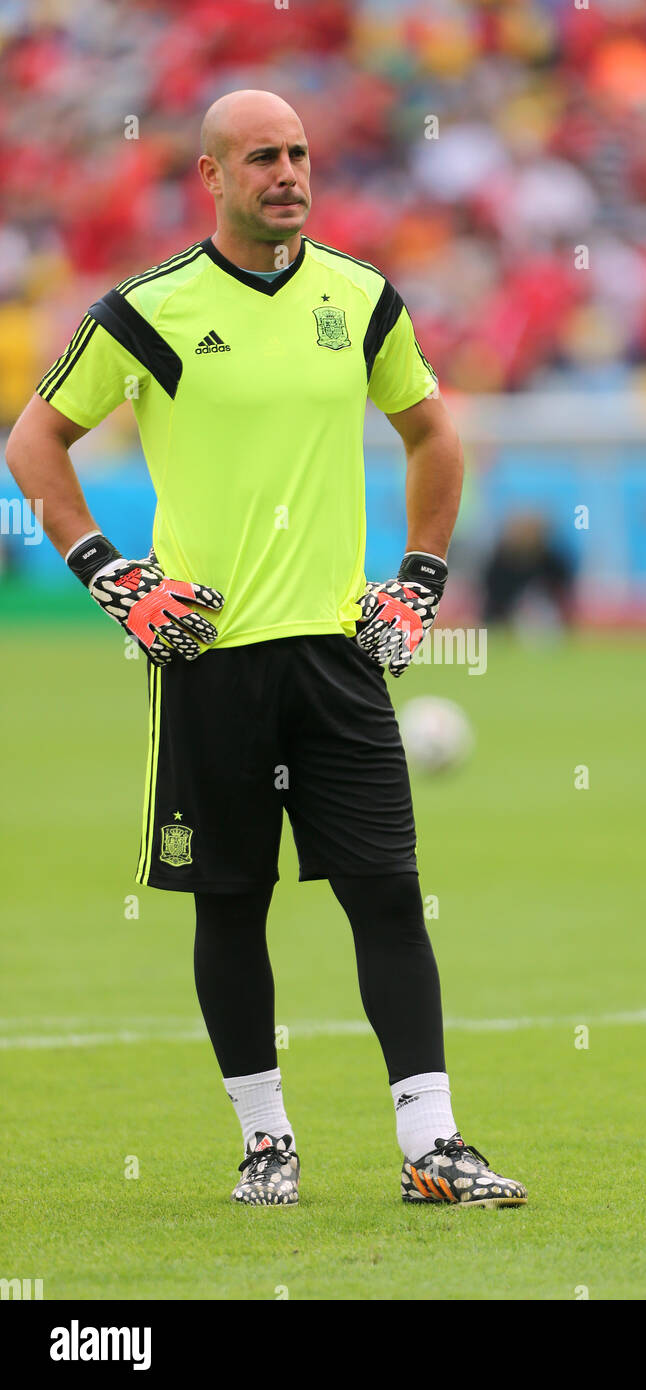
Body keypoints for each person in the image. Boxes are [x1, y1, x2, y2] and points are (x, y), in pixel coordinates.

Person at [6, 89, 526, 1210]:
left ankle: (430, 1146)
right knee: (229, 903)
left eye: (297, 152)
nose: (287, 173)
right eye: (261, 158)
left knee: (388, 893)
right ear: (212, 176)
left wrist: (420, 582)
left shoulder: (360, 297)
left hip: (338, 656)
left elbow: (431, 432)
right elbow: (33, 438)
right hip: (208, 656)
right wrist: (112, 576)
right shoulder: (146, 310)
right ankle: (265, 1142)